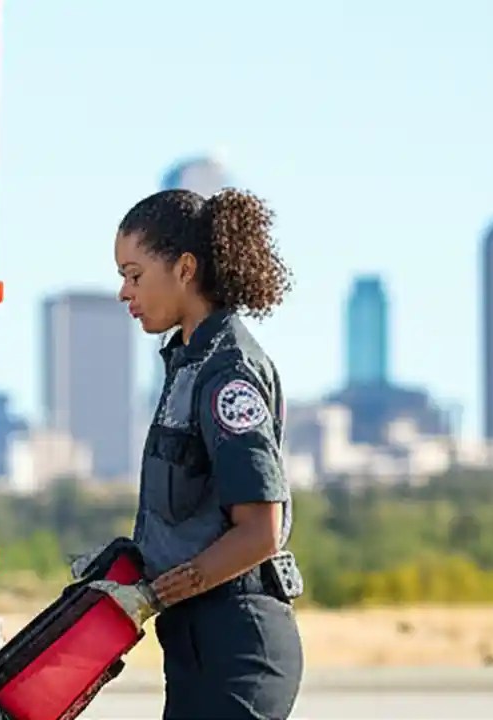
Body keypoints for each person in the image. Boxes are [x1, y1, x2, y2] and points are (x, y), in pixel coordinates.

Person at [108, 187, 305, 719]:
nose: (125, 292)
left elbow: (261, 529)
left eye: (134, 274)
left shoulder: (227, 373)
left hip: (237, 646)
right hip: (197, 646)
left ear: (185, 268)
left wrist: (163, 591)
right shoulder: (188, 367)